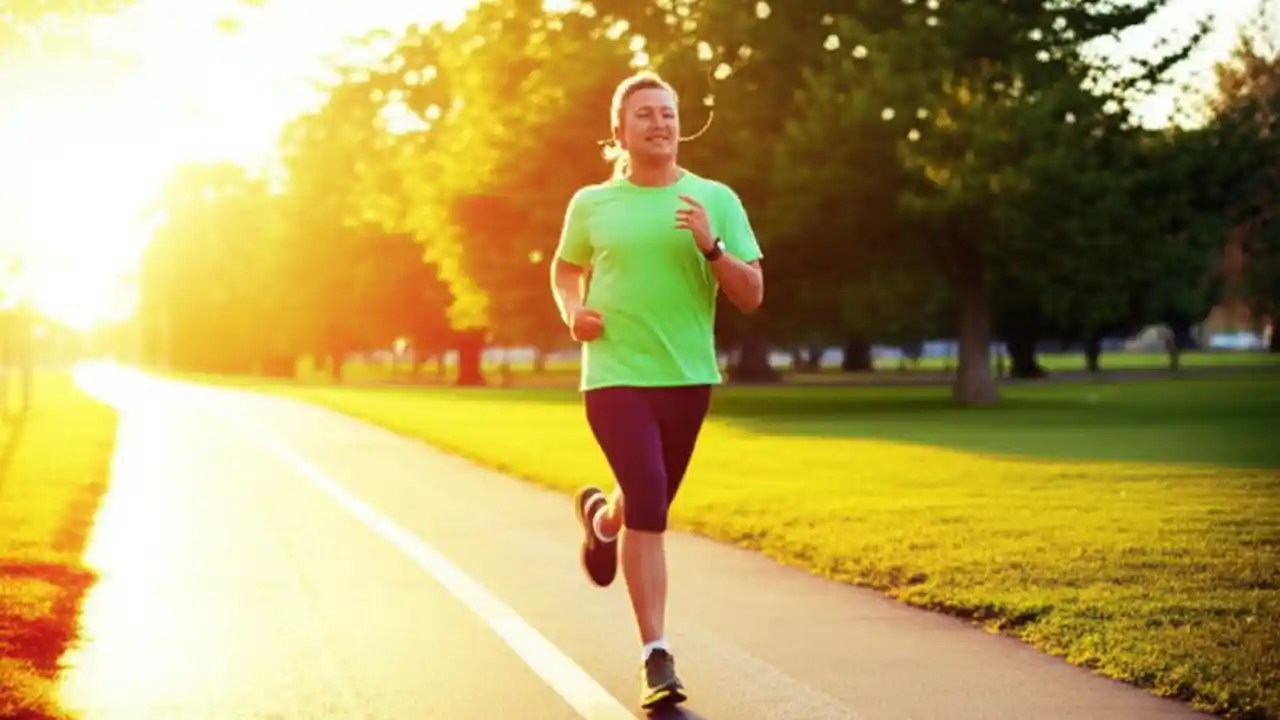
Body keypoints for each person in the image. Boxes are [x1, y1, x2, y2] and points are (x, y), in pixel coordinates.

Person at [550, 69, 764, 711]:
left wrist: (712, 246)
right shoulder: (593, 204)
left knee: (641, 502)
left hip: (688, 378)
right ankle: (657, 657)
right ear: (619, 131)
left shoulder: (714, 199)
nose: (660, 123)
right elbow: (564, 269)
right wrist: (572, 310)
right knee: (651, 499)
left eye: (668, 113)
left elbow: (751, 295)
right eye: (644, 114)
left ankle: (600, 519)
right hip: (615, 375)